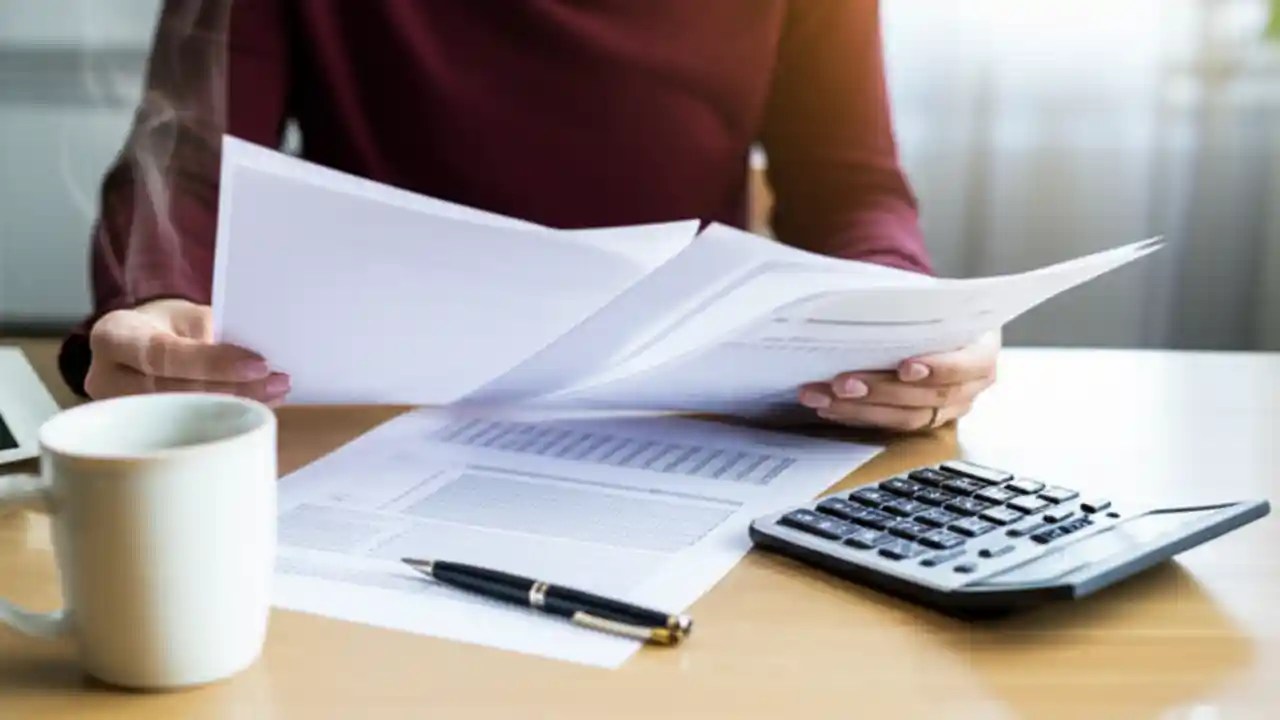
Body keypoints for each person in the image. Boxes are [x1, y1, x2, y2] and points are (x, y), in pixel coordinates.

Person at [60, 0, 999, 432]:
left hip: (682, 408)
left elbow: (852, 185)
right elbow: (182, 163)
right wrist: (158, 304)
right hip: (375, 412)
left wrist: (908, 320)